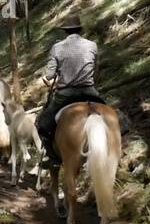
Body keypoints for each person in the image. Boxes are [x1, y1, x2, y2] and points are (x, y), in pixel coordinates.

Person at [36, 14, 105, 168]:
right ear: (79, 30)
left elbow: (49, 75)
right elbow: (96, 71)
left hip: (66, 94)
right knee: (113, 116)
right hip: (90, 91)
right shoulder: (92, 45)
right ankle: (117, 147)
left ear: (65, 31)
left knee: (43, 123)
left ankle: (53, 158)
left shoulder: (57, 48)